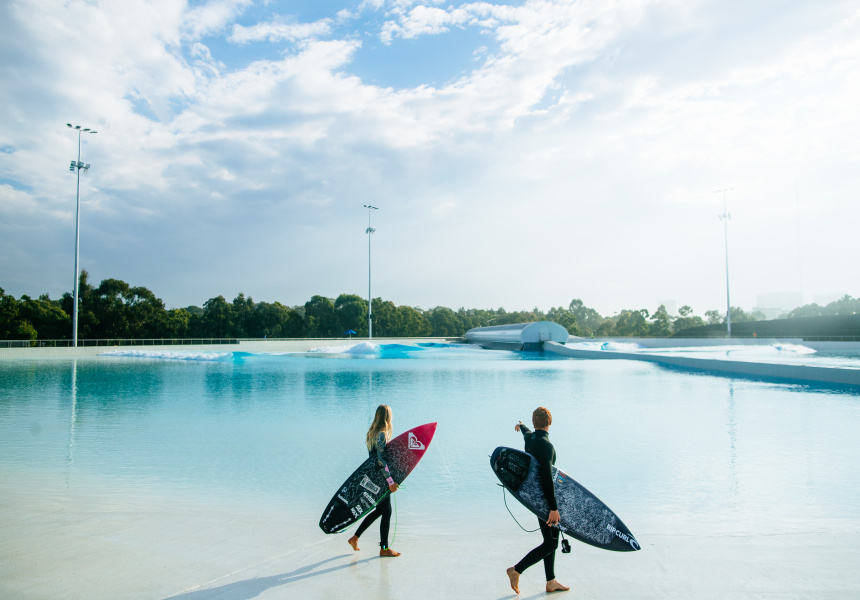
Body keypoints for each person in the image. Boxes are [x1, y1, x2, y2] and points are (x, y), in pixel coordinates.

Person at [506, 407, 570, 594]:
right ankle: (516, 570)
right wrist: (553, 507)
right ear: (550, 422)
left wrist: (521, 425)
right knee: (550, 544)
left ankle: (551, 581)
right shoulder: (546, 446)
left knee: (551, 538)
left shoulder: (532, 439)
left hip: (534, 497)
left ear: (535, 423)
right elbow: (546, 477)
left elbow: (526, 433)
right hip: (544, 500)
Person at [348, 404, 401, 557]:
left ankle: (355, 538)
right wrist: (390, 481)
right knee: (386, 512)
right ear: (387, 417)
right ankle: (384, 548)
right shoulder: (382, 435)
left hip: (373, 477)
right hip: (381, 479)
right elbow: (381, 460)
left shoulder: (372, 433)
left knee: (380, 510)